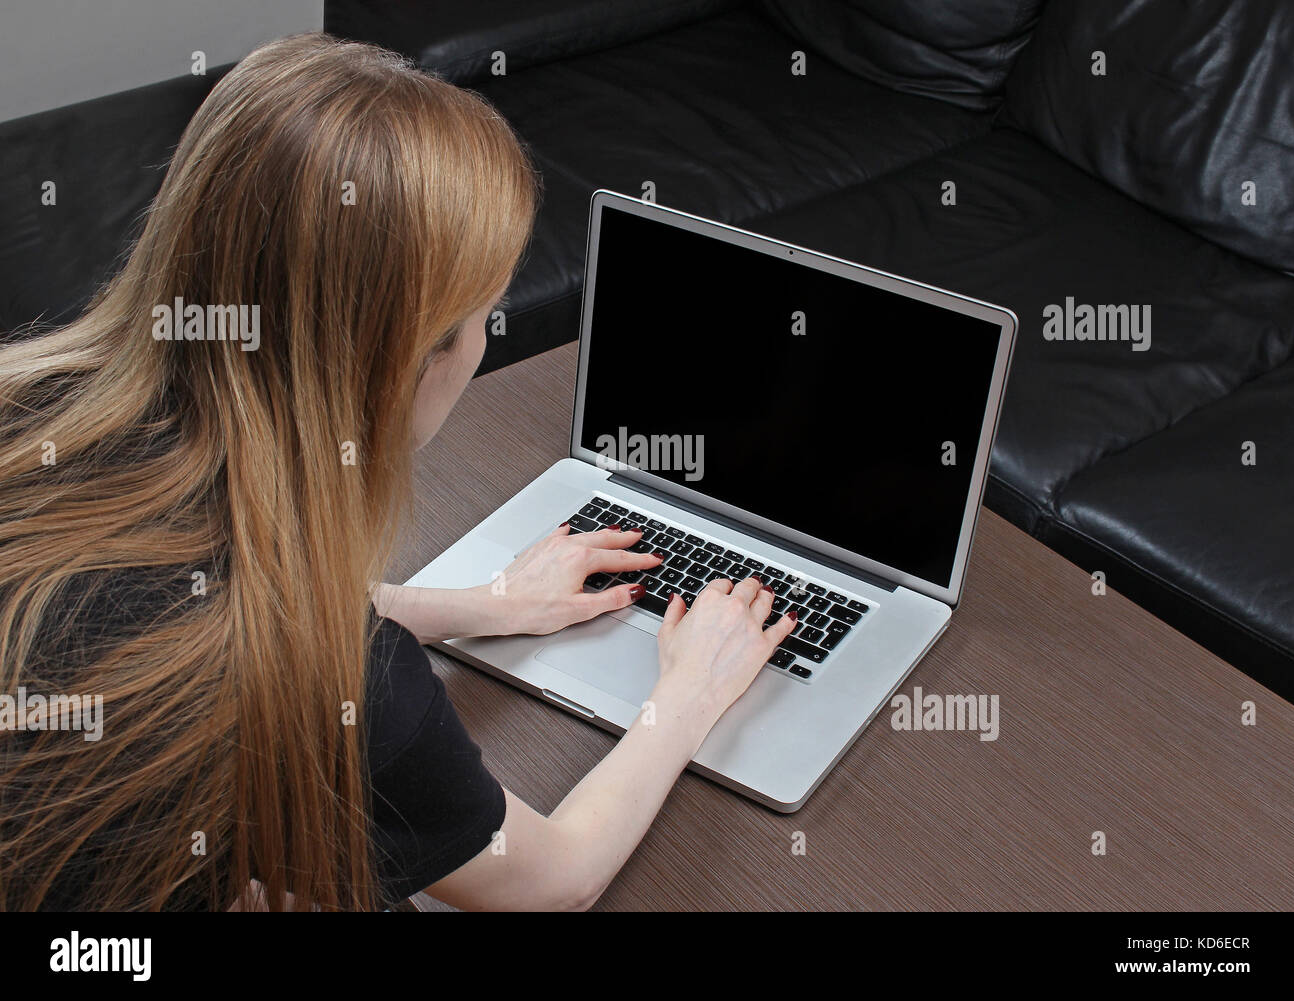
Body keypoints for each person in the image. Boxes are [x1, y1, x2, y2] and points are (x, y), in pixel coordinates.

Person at [0, 33, 797, 912]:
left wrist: (485, 606)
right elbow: (554, 879)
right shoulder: (340, 685)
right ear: (411, 364)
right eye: (483, 315)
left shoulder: (33, 405)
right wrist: (690, 692)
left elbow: (194, 586)